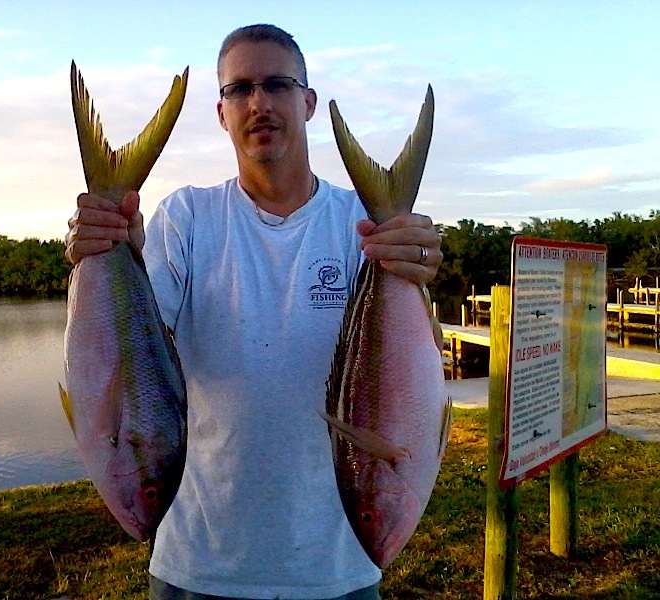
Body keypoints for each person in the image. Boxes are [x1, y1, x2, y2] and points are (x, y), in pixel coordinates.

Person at [65, 24, 443, 600]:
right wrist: (107, 252)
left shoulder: (364, 227)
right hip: (198, 564)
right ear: (222, 113)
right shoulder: (186, 217)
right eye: (239, 89)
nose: (259, 102)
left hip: (339, 564)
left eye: (276, 85)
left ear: (308, 101)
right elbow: (135, 352)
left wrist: (415, 261)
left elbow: (412, 366)